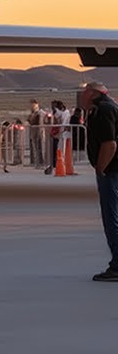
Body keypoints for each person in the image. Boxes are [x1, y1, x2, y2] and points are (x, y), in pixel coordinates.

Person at [81, 82, 118, 281]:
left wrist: (101, 168)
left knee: (111, 218)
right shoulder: (108, 107)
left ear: (93, 93)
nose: (82, 95)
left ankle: (117, 266)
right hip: (113, 170)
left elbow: (110, 144)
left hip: (111, 171)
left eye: (85, 91)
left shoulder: (103, 110)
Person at [28, 99, 44, 167]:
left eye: (33, 105)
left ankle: (40, 162)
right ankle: (36, 161)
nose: (31, 107)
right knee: (35, 148)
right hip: (33, 132)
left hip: (38, 132)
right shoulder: (32, 113)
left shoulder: (39, 113)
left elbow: (38, 122)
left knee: (39, 148)